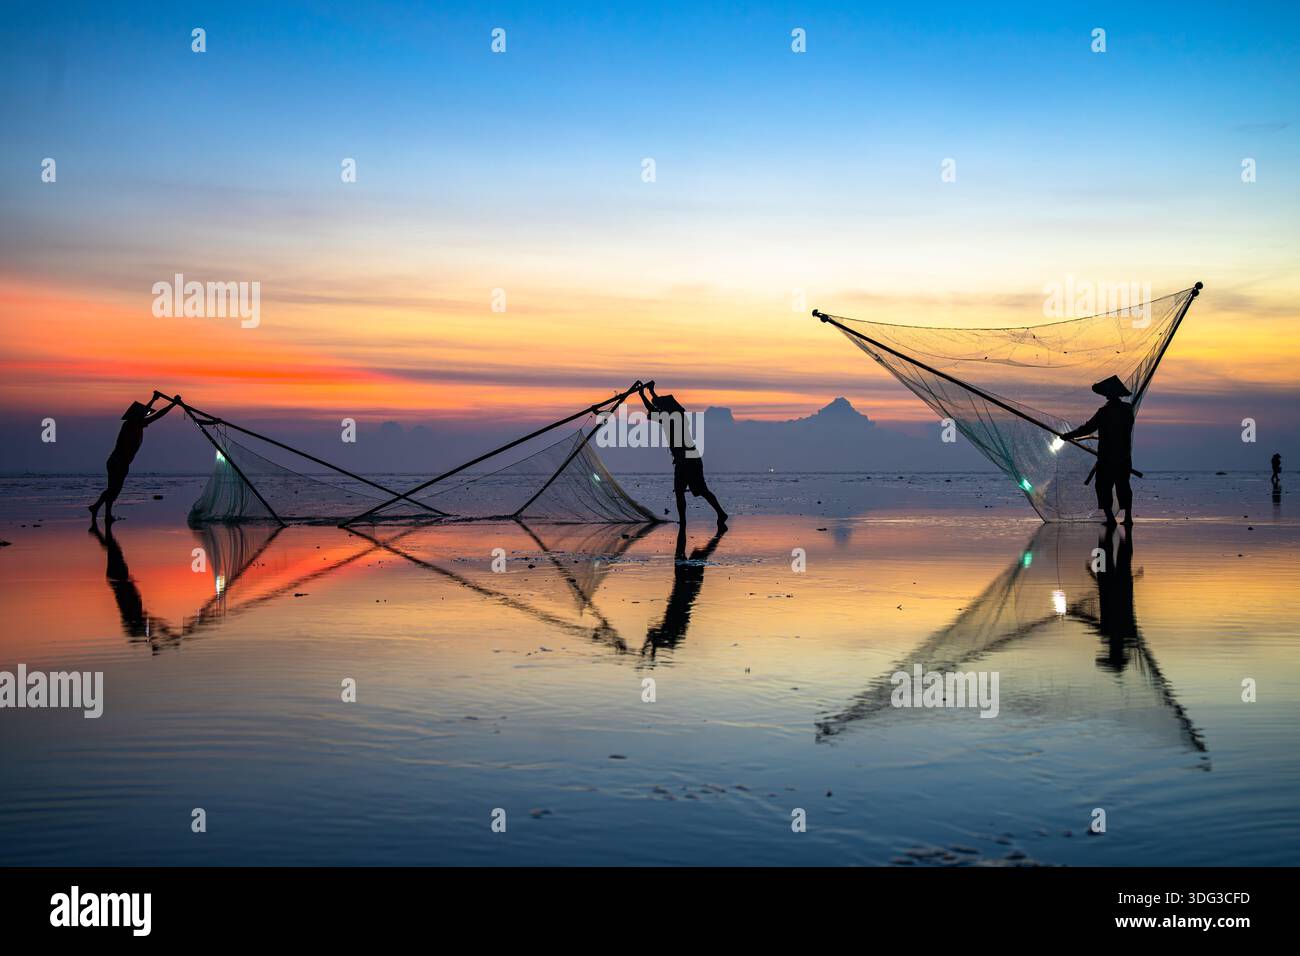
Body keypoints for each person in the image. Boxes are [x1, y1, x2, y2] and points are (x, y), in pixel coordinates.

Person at [637, 382, 727, 554]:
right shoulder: (676, 416)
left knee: (694, 491)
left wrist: (643, 395)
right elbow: (657, 406)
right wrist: (650, 392)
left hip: (688, 461)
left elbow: (654, 408)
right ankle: (698, 518)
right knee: (691, 491)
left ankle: (699, 518)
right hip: (688, 460)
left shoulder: (672, 419)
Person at [89, 391, 180, 525]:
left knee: (114, 490)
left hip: (123, 463)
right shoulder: (129, 425)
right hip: (117, 461)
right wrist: (154, 400)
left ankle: (99, 509)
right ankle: (101, 510)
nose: (145, 417)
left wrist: (172, 404)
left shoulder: (139, 424)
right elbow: (145, 413)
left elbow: (157, 415)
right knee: (113, 489)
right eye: (141, 415)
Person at [1061, 375, 1134, 526]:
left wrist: (1069, 435)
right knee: (1123, 485)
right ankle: (1128, 518)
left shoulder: (1104, 412)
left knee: (1103, 485)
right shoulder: (1127, 410)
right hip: (1123, 456)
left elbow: (1088, 428)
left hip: (1107, 456)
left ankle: (1110, 519)